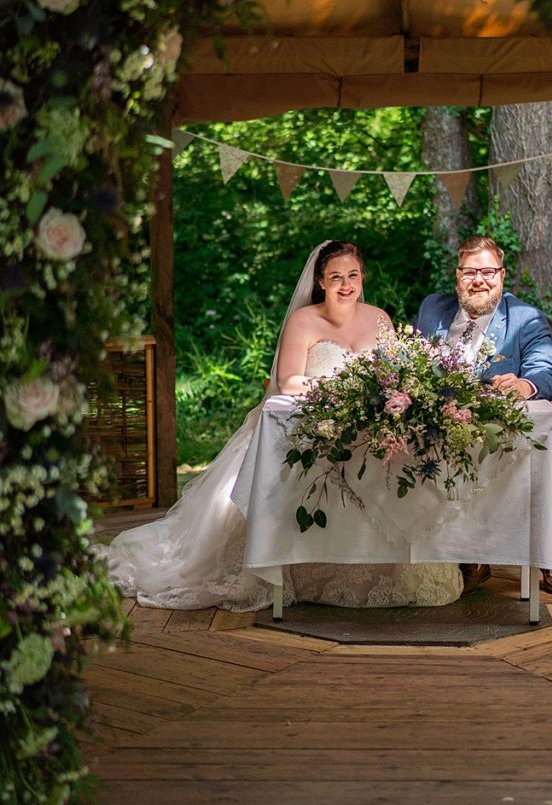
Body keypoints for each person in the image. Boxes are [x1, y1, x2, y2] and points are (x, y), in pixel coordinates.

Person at [104, 240, 462, 611]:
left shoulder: (380, 319)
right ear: (320, 281)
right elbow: (289, 381)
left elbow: (392, 376)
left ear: (362, 278)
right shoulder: (304, 320)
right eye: (335, 276)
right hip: (313, 424)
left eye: (352, 275)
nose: (345, 284)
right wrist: (346, 389)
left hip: (369, 430)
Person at [415, 234, 552, 597]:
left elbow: (547, 371)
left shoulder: (523, 318)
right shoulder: (432, 309)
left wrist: (523, 384)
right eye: (470, 271)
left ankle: (532, 556)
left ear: (502, 275)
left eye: (488, 271)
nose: (479, 280)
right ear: (457, 276)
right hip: (438, 422)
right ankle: (455, 553)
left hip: (496, 428)